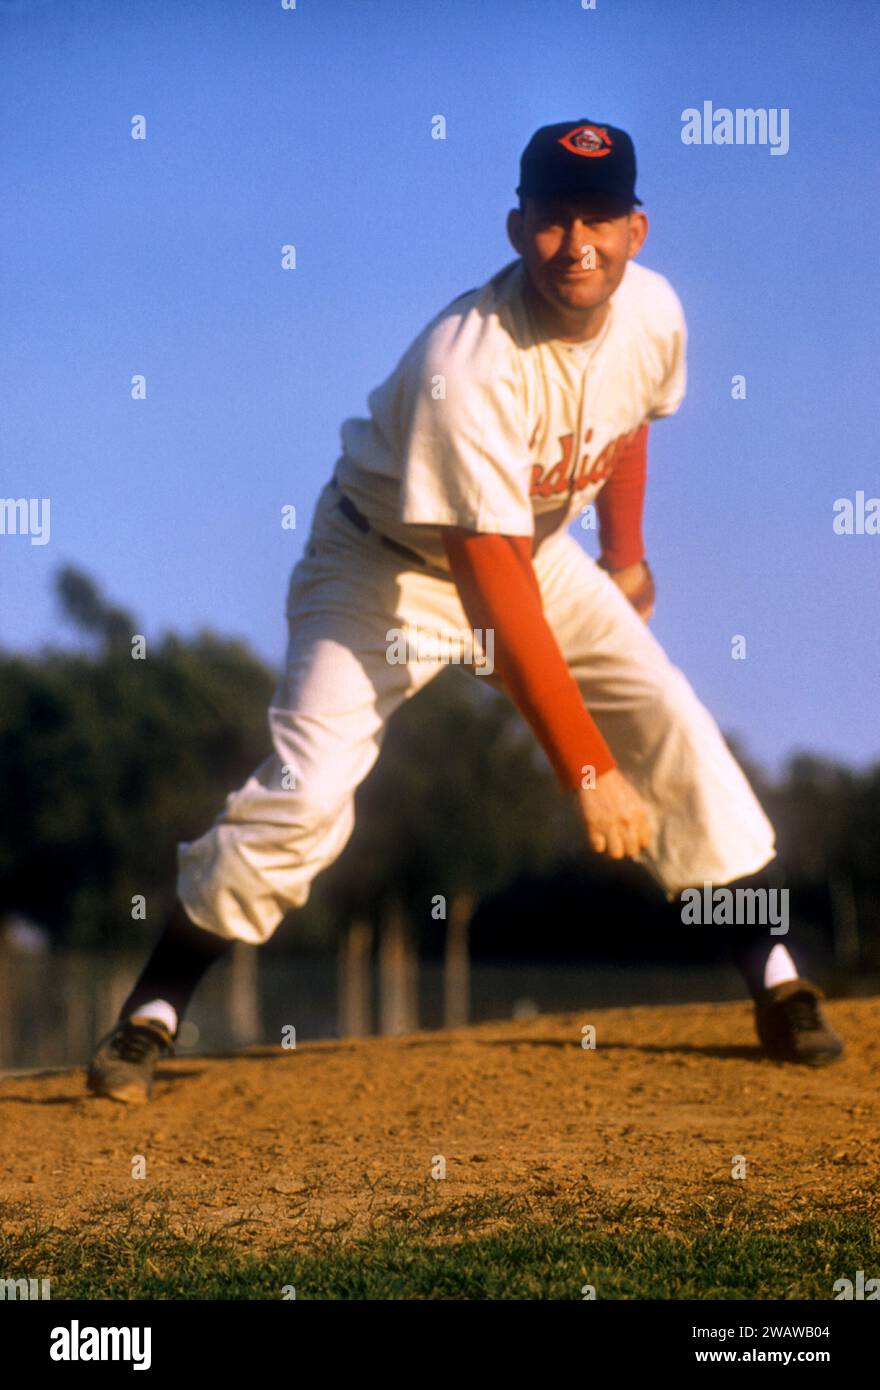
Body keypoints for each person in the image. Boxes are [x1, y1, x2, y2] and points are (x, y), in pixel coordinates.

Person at [88, 119, 843, 1104]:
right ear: (515, 223)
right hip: (381, 565)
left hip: (533, 554)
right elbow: (487, 590)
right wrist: (585, 768)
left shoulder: (653, 313)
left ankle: (776, 983)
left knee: (670, 722)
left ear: (638, 228)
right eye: (554, 217)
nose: (578, 242)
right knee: (307, 793)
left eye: (601, 217)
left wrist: (624, 556)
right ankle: (154, 1007)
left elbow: (624, 424)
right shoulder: (471, 360)